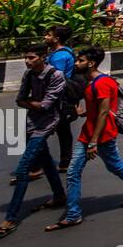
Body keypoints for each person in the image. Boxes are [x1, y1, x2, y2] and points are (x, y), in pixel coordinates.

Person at [44, 46, 123, 232]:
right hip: (90, 133)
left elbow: (103, 114)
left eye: (80, 61)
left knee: (102, 166)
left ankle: (74, 214)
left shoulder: (101, 83)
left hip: (100, 135)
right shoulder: (93, 81)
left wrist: (93, 142)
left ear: (91, 63)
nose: (76, 63)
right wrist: (85, 112)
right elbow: (99, 111)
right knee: (98, 167)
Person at [0, 46, 68, 240]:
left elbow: (46, 105)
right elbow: (19, 99)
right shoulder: (29, 74)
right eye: (25, 57)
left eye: (31, 57)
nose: (27, 61)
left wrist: (32, 103)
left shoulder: (56, 76)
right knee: (47, 161)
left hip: (48, 124)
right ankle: (59, 195)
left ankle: (11, 218)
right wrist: (34, 104)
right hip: (32, 122)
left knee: (23, 170)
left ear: (43, 58)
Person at [44, 25, 75, 173]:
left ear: (56, 39)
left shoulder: (59, 56)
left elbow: (56, 78)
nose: (45, 37)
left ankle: (36, 164)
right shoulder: (64, 52)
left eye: (48, 35)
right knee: (63, 131)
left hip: (57, 98)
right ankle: (65, 161)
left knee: (36, 132)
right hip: (62, 97)